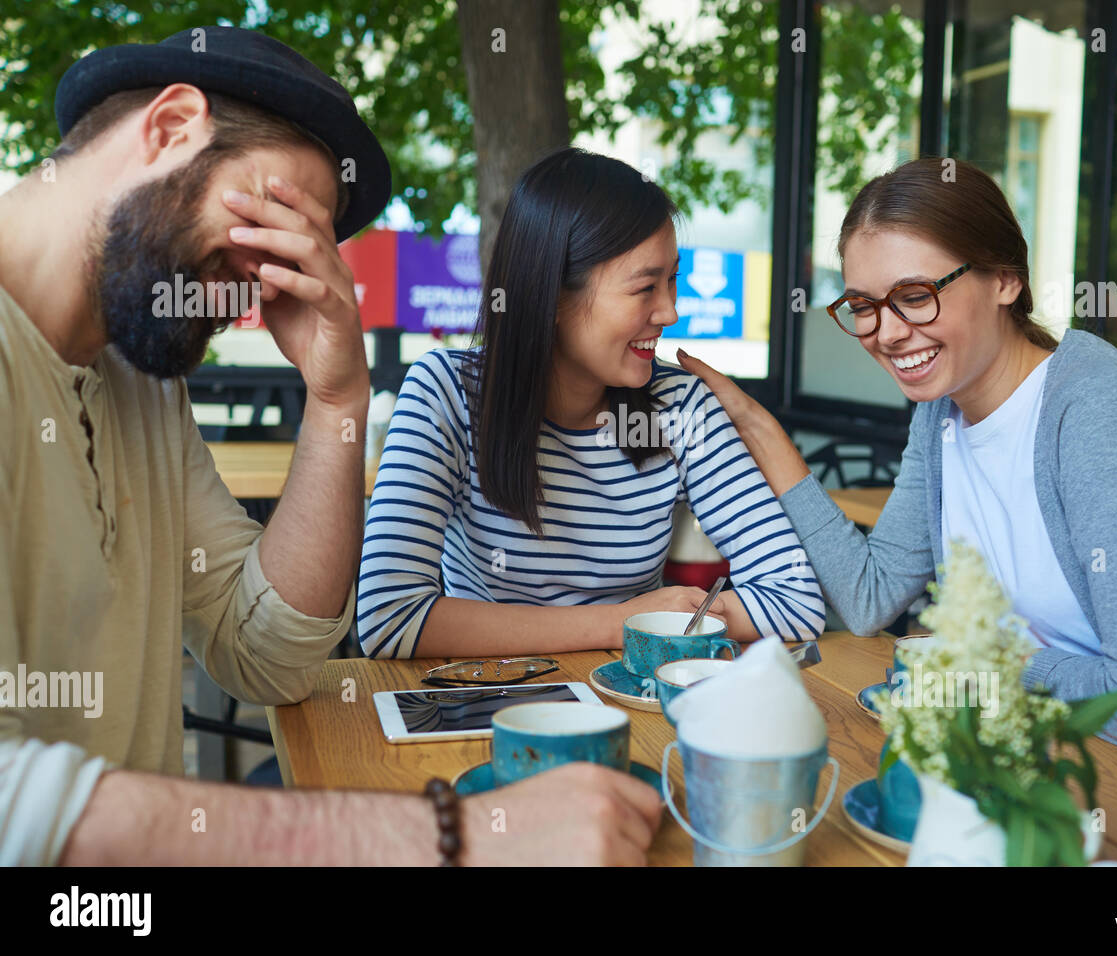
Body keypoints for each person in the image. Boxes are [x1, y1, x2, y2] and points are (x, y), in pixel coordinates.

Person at [0, 26, 661, 866]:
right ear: (170, 129)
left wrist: (337, 398)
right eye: (271, 220)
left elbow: (265, 653)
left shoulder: (138, 380)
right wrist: (447, 839)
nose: (264, 281)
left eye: (297, 250)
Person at [678, 157, 1117, 801]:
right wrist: (762, 433)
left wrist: (978, 664)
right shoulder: (941, 414)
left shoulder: (1092, 410)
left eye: (916, 295)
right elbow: (870, 598)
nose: (888, 332)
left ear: (1006, 279)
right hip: (1043, 775)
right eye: (864, 305)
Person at [357, 147, 825, 658]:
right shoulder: (446, 392)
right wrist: (622, 623)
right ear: (554, 295)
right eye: (645, 287)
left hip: (632, 708)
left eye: (673, 280)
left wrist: (656, 620)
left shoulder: (680, 406)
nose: (669, 311)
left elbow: (795, 599)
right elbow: (389, 617)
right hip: (487, 703)